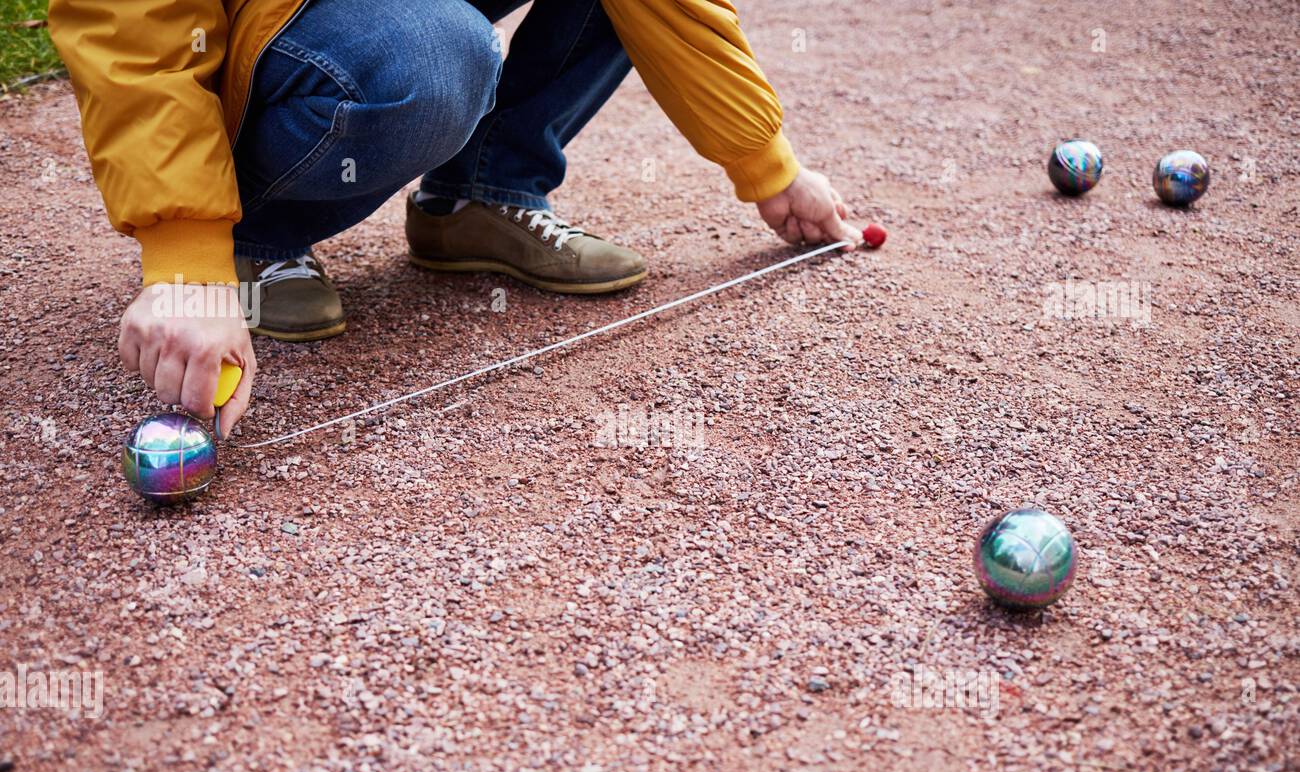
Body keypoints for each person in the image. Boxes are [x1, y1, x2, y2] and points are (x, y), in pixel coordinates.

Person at [49, 0, 857, 436]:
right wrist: (186, 257)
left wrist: (770, 168)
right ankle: (255, 233)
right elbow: (130, 24)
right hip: (259, 34)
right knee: (434, 57)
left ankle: (481, 194)